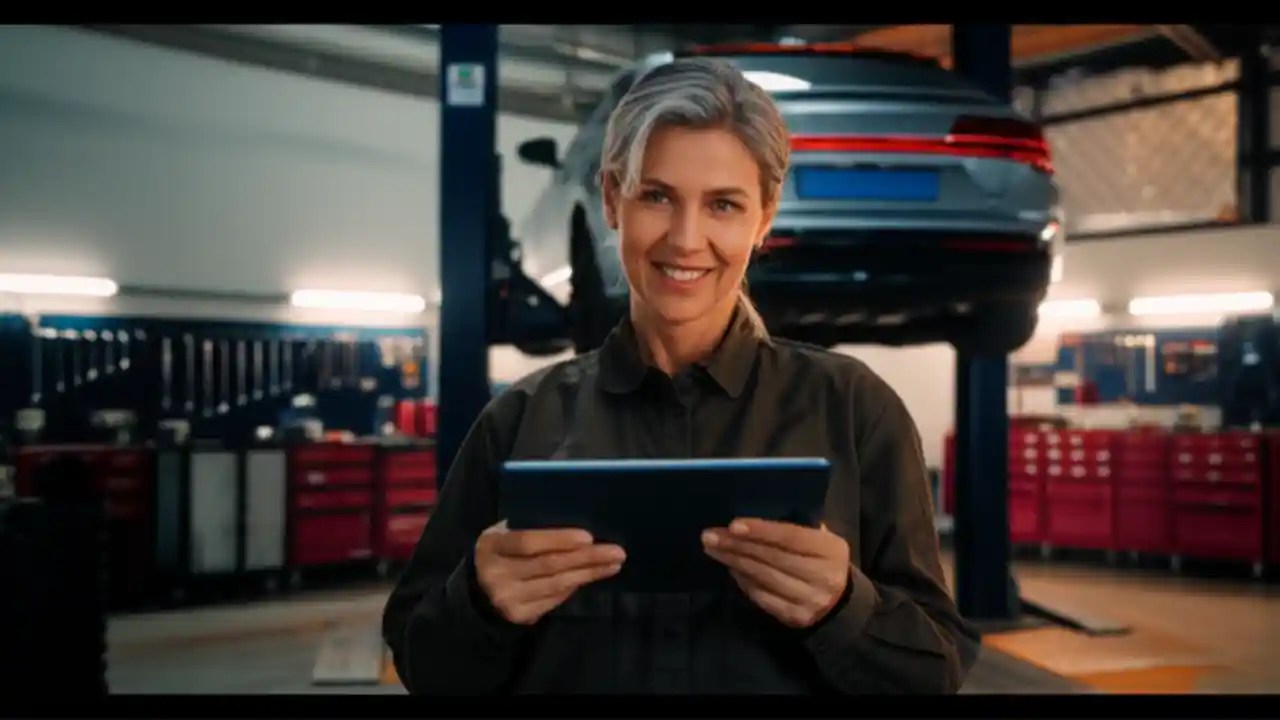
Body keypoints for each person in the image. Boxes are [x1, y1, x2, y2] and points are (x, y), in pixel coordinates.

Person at [382, 56, 980, 694]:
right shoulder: (519, 421)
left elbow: (932, 674)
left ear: (765, 217)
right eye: (658, 196)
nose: (686, 239)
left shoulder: (855, 411)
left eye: (723, 205)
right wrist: (480, 602)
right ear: (613, 199)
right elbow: (424, 663)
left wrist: (842, 607)